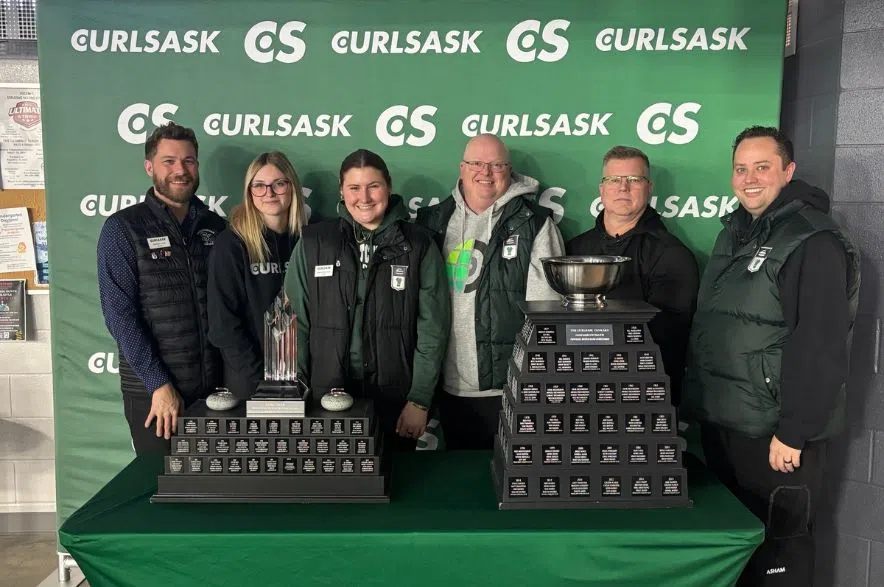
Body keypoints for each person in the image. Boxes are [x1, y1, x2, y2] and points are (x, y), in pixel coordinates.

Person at [682, 126, 860, 586]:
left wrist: (794, 432)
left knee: (782, 551)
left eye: (763, 167)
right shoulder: (735, 232)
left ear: (788, 170)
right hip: (728, 426)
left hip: (776, 438)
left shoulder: (811, 241)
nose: (749, 178)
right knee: (741, 551)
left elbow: (819, 343)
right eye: (741, 169)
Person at [285, 149, 449, 451]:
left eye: (373, 185)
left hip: (396, 401)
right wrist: (296, 392)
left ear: (388, 186)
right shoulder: (314, 242)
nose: (365, 197)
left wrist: (419, 400)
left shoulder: (419, 244)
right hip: (325, 399)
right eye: (354, 187)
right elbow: (296, 322)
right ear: (341, 191)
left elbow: (433, 330)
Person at [416, 134, 565, 450]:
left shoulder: (534, 224)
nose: (486, 172)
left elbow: (547, 314)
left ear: (509, 170)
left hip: (510, 389)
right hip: (445, 387)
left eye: (497, 165)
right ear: (462, 168)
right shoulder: (432, 222)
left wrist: (533, 383)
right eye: (476, 163)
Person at [97, 122, 227, 454]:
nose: (180, 170)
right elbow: (120, 317)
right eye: (169, 161)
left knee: (217, 491)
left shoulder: (217, 227)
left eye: (189, 161)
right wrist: (159, 383)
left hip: (215, 391)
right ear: (149, 167)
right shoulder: (123, 229)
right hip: (156, 395)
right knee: (160, 491)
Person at [567, 146, 699, 403]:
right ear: (601, 189)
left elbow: (667, 337)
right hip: (581, 390)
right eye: (614, 179)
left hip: (644, 396)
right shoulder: (574, 250)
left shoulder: (672, 254)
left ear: (649, 188)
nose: (623, 187)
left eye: (634, 180)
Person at [207, 152, 307, 399]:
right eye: (259, 186)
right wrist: (259, 381)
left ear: (292, 187)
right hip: (251, 382)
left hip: (303, 378)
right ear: (249, 192)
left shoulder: (309, 241)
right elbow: (224, 325)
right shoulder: (232, 244)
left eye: (279, 184)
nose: (269, 193)